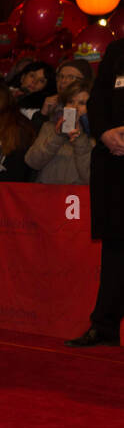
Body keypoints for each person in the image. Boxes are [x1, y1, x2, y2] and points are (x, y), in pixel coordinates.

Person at [65, 38, 124, 348]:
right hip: (115, 163)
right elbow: (99, 98)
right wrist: (103, 131)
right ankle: (104, 326)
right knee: (115, 250)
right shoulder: (117, 50)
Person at [26, 81, 93, 185]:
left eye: (82, 103)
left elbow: (90, 177)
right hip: (47, 194)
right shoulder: (49, 127)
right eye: (70, 102)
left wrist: (79, 139)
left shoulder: (97, 136)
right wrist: (57, 136)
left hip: (76, 197)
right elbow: (33, 162)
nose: (75, 108)